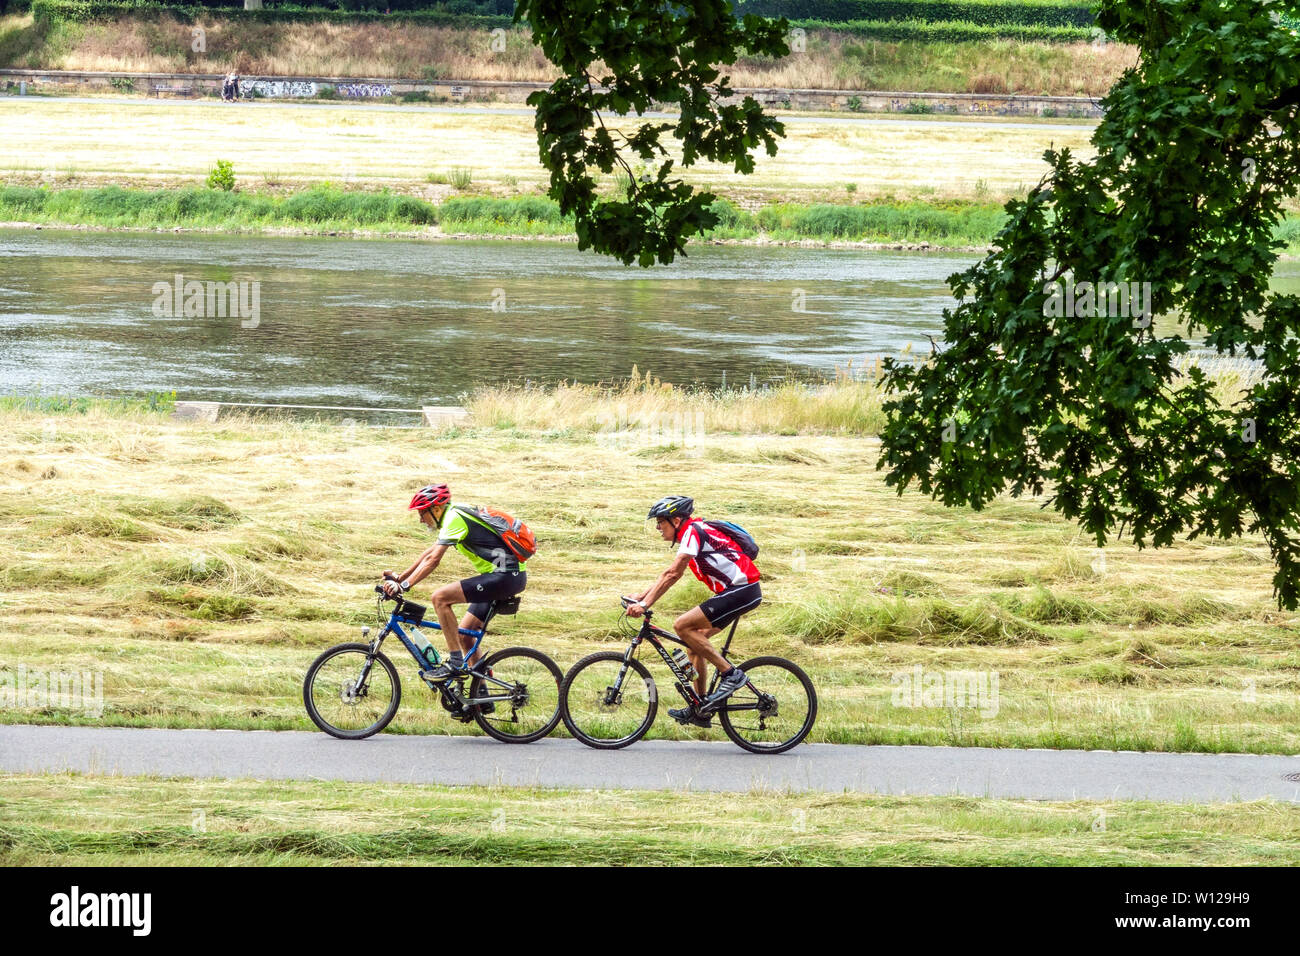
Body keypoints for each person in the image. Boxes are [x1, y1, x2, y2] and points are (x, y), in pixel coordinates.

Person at [625, 495, 761, 728]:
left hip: (743, 588)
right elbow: (669, 573)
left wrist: (645, 606)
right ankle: (702, 708)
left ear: (676, 520)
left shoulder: (693, 531)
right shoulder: (693, 533)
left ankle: (731, 675)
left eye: (661, 522)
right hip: (738, 591)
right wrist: (642, 596)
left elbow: (672, 575)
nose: (658, 528)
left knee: (681, 626)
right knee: (693, 642)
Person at [381, 484, 526, 680]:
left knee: (440, 598)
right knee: (465, 636)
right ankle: (481, 700)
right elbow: (429, 553)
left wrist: (404, 587)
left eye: (422, 513)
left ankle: (456, 664)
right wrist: (400, 578)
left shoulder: (455, 518)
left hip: (505, 576)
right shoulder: (454, 515)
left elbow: (433, 561)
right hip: (505, 576)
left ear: (437, 509)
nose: (420, 519)